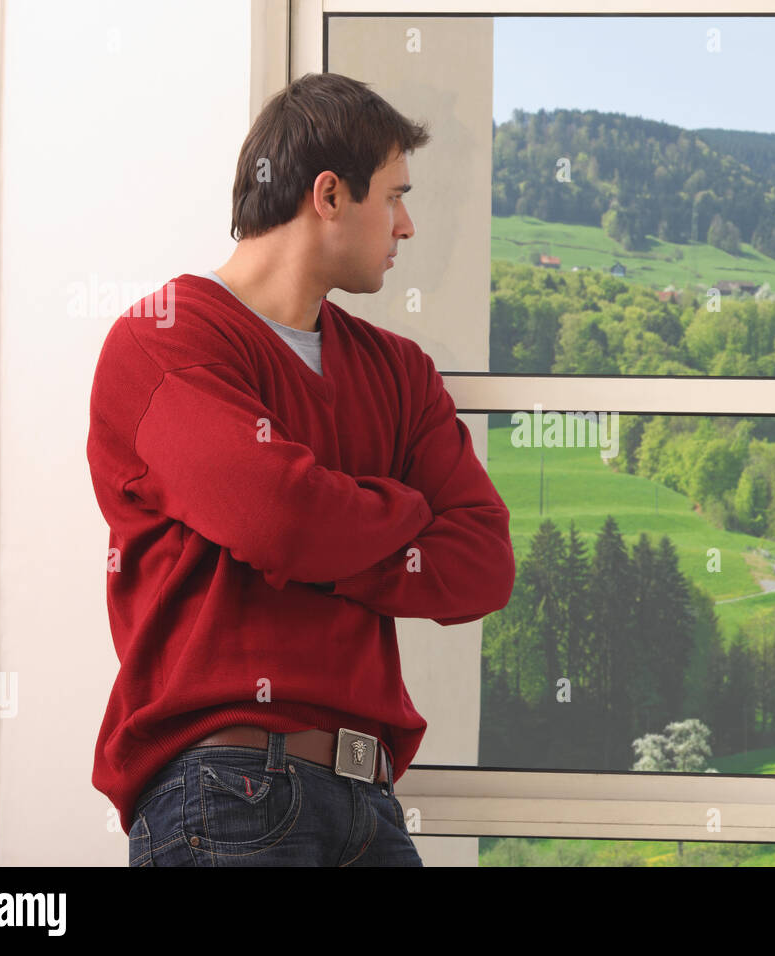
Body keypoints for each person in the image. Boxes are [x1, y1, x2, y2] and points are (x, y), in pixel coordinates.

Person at [85, 72, 516, 866]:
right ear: (328, 195)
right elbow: (280, 518)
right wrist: (399, 511)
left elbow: (485, 562)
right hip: (226, 791)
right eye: (393, 196)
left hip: (372, 803)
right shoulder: (161, 340)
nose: (408, 224)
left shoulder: (400, 370)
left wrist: (304, 541)